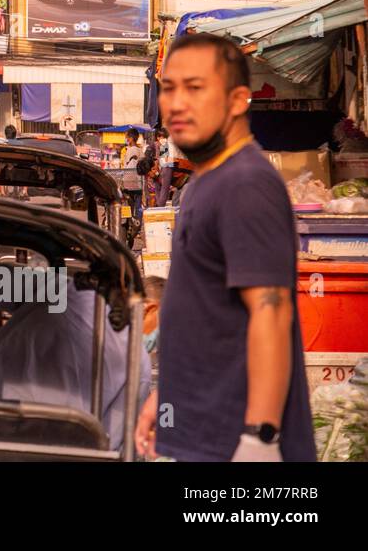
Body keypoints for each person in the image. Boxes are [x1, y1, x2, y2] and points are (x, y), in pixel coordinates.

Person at [135, 33, 315, 462]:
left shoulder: (245, 184)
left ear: (237, 100)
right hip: (202, 434)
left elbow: (271, 312)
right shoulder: (204, 183)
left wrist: (260, 438)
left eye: (195, 88)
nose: (177, 103)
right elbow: (208, 324)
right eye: (169, 88)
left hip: (237, 444)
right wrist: (167, 401)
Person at [0, 278, 152, 451]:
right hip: (61, 449)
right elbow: (110, 444)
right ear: (148, 308)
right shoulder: (138, 360)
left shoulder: (60, 287)